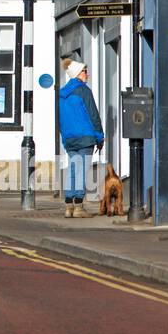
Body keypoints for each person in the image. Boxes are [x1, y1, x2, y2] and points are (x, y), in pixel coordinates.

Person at [58, 60, 104, 218]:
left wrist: (64, 137)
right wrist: (100, 136)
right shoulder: (84, 90)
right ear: (78, 74)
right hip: (85, 137)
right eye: (85, 71)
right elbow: (93, 115)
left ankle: (68, 206)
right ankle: (79, 207)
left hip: (70, 139)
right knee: (81, 171)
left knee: (72, 170)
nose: (87, 74)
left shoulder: (62, 94)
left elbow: (60, 119)